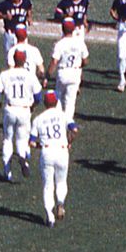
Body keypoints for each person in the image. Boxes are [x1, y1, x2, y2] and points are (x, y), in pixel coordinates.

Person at [28, 90, 77, 226]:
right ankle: (60, 203)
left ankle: (50, 216)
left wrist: (40, 145)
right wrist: (69, 142)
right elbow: (74, 130)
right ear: (56, 102)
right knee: (61, 181)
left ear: (45, 103)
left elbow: (31, 142)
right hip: (62, 150)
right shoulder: (63, 115)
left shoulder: (38, 119)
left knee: (48, 186)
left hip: (47, 151)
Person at [0, 47, 40, 182]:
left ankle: (7, 172)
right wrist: (33, 107)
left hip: (10, 108)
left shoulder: (5, 74)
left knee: (8, 139)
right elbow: (38, 96)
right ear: (24, 60)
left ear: (13, 59)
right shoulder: (30, 75)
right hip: (24, 109)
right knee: (21, 139)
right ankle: (22, 157)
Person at [49, 17, 89, 118]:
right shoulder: (80, 42)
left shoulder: (60, 44)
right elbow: (85, 61)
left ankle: (57, 120)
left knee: (58, 98)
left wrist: (47, 75)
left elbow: (54, 61)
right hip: (75, 73)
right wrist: (80, 66)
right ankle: (68, 124)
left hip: (63, 72)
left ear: (62, 29)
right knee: (70, 102)